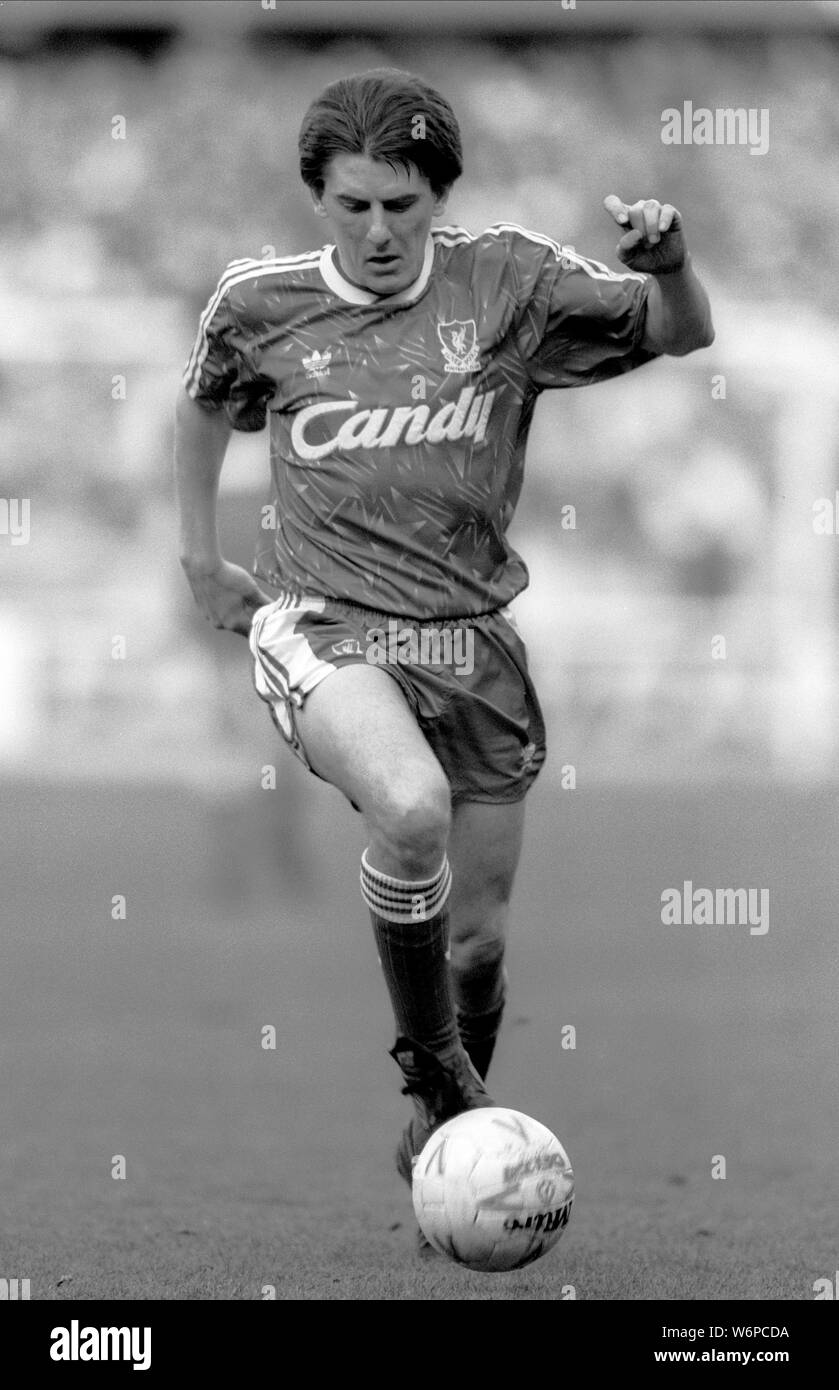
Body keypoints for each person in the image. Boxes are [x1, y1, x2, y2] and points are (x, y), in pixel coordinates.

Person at [174, 67, 713, 1257]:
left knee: (474, 943)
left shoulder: (509, 283)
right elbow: (204, 402)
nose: (377, 231)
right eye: (353, 204)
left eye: (402, 206)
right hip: (324, 624)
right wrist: (199, 559)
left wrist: (668, 263)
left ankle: (440, 1118)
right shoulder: (259, 307)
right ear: (317, 196)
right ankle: (439, 1072)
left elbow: (682, 334)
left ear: (437, 198)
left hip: (474, 647)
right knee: (406, 809)